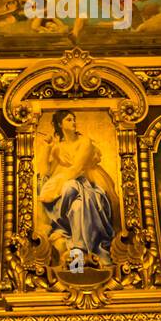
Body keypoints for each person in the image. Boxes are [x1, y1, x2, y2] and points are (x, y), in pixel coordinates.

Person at [38, 110, 116, 264]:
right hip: (65, 193)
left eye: (74, 119)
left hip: (88, 186)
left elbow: (76, 169)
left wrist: (55, 187)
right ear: (60, 124)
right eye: (69, 120)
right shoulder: (57, 147)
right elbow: (44, 172)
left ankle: (77, 262)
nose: (73, 122)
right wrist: (47, 148)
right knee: (76, 203)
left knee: (74, 194)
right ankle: (78, 261)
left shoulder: (84, 142)